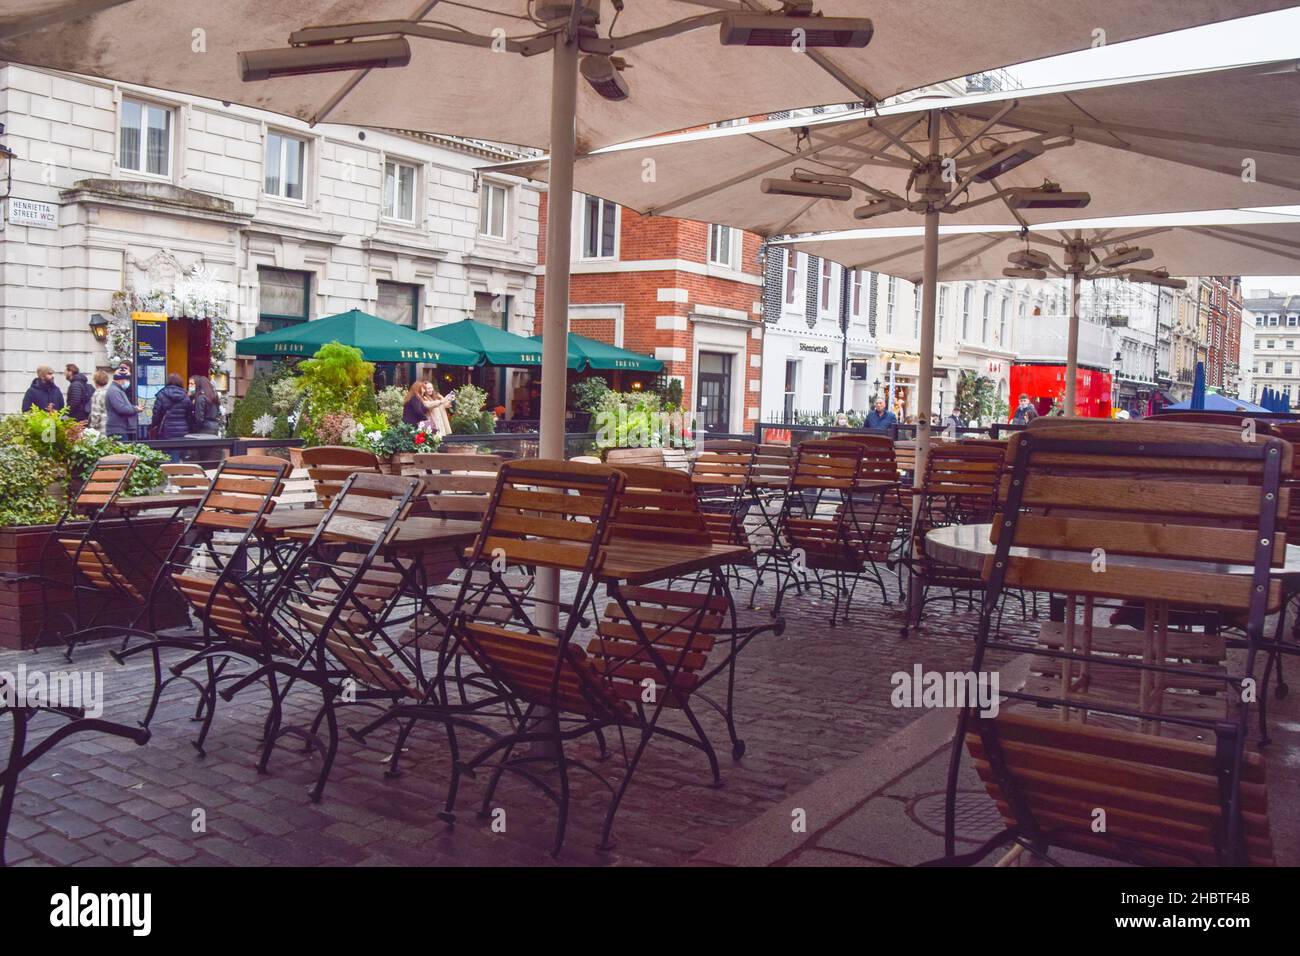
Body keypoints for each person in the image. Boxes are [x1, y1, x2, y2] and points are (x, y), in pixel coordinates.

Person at [150, 373, 193, 441]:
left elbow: (156, 414)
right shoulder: (186, 395)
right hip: (183, 430)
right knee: (182, 449)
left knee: (168, 449)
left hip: (166, 430)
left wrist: (153, 425)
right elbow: (189, 415)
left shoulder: (161, 395)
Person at [105, 368, 142, 440]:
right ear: (122, 379)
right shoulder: (114, 391)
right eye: (127, 379)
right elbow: (121, 408)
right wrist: (136, 408)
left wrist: (134, 407)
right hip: (117, 431)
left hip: (119, 429)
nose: (128, 382)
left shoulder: (117, 390)